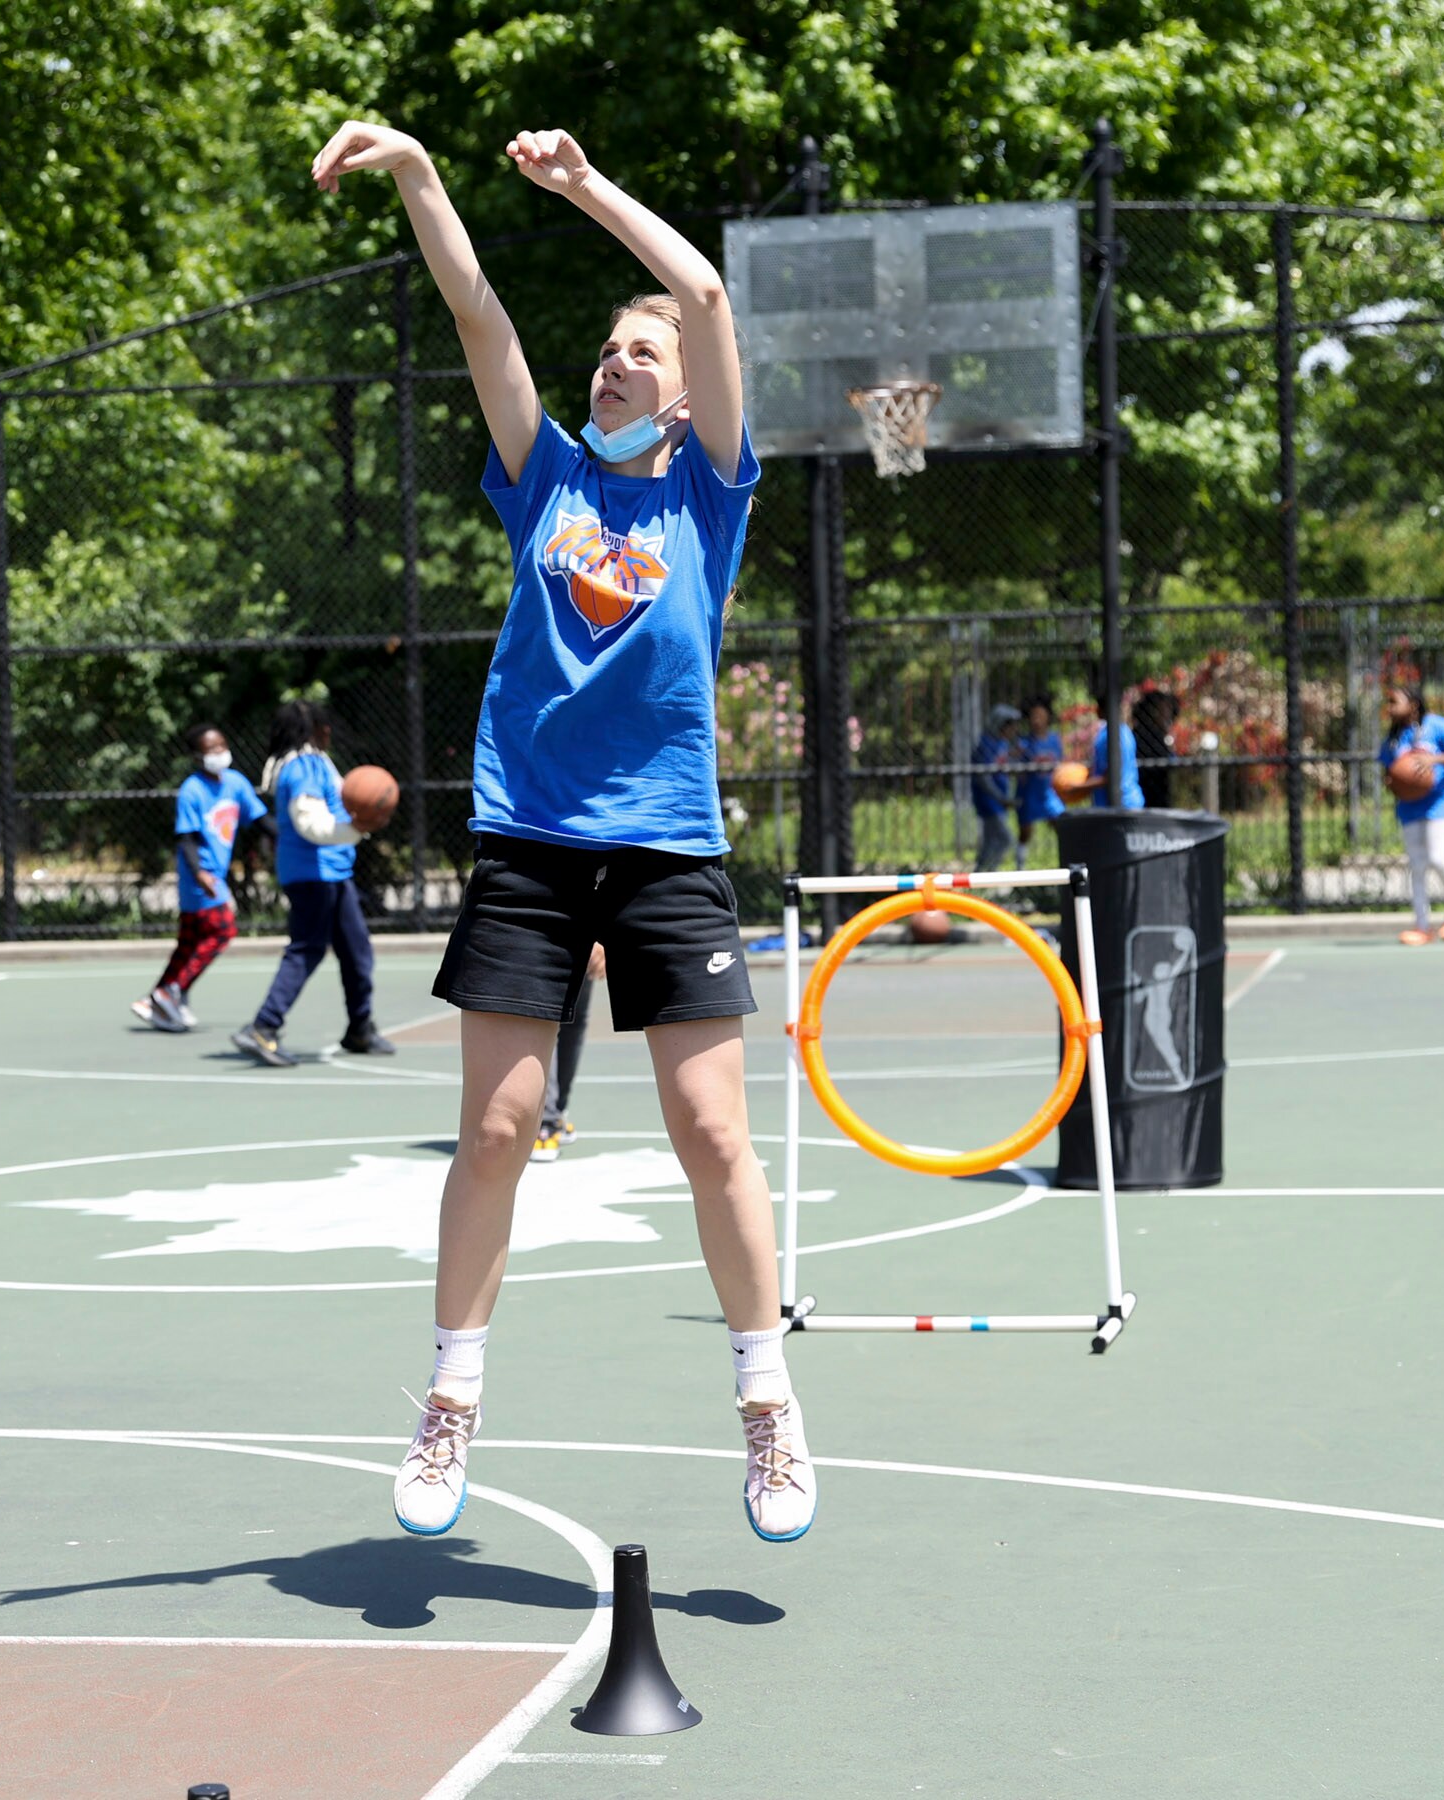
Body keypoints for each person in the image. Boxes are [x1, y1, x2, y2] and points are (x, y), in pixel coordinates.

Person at [311, 117, 814, 1542]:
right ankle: (451, 1396)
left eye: (635, 354)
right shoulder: (548, 476)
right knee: (496, 1124)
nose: (617, 361)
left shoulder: (707, 493)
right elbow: (476, 313)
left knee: (713, 1131)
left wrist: (589, 185)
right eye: (607, 349)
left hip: (664, 838)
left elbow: (705, 297)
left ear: (681, 393)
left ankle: (767, 1404)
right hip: (531, 834)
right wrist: (418, 171)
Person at [231, 701, 396, 1067]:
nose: (330, 732)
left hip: (332, 874)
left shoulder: (316, 762)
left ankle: (360, 1028)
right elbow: (309, 822)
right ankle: (263, 1027)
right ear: (314, 729)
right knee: (306, 949)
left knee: (356, 951)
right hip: (312, 875)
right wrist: (358, 828)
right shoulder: (303, 766)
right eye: (325, 725)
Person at [136, 724, 265, 1033]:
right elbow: (187, 839)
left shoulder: (235, 783)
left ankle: (156, 998)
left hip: (213, 875)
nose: (219, 753)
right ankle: (170, 992)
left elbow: (259, 819)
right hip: (200, 876)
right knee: (223, 931)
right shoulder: (192, 790)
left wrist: (288, 838)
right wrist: (200, 874)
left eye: (222, 746)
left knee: (189, 942)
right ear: (197, 756)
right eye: (211, 750)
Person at [1375, 683, 1444, 946]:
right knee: (1417, 866)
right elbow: (1390, 770)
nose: (1390, 707)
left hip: (1440, 802)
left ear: (1414, 704)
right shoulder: (1395, 738)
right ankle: (1422, 926)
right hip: (1409, 807)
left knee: (1438, 857)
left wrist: (1433, 761)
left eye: (1395, 702)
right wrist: (1395, 781)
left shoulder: (1436, 725)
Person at [532, 943, 604, 1162]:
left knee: (572, 1020)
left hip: (581, 926)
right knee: (547, 1018)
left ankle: (554, 1115)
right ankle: (546, 1120)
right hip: (544, 933)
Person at [1013, 699, 1067, 865]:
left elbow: (1062, 765)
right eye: (1033, 716)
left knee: (1062, 827)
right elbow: (1014, 767)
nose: (1036, 720)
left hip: (1049, 793)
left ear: (1047, 718)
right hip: (1029, 794)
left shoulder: (1054, 740)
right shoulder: (1023, 743)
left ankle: (1065, 865)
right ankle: (1019, 870)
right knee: (1025, 832)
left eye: (1040, 716)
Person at [970, 703, 1022, 871]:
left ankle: (979, 874)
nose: (1013, 731)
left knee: (990, 840)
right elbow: (983, 778)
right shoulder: (985, 744)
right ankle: (988, 874)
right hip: (989, 800)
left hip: (998, 800)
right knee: (1004, 839)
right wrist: (1001, 798)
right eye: (1010, 726)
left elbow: (1002, 764)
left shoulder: (1001, 743)